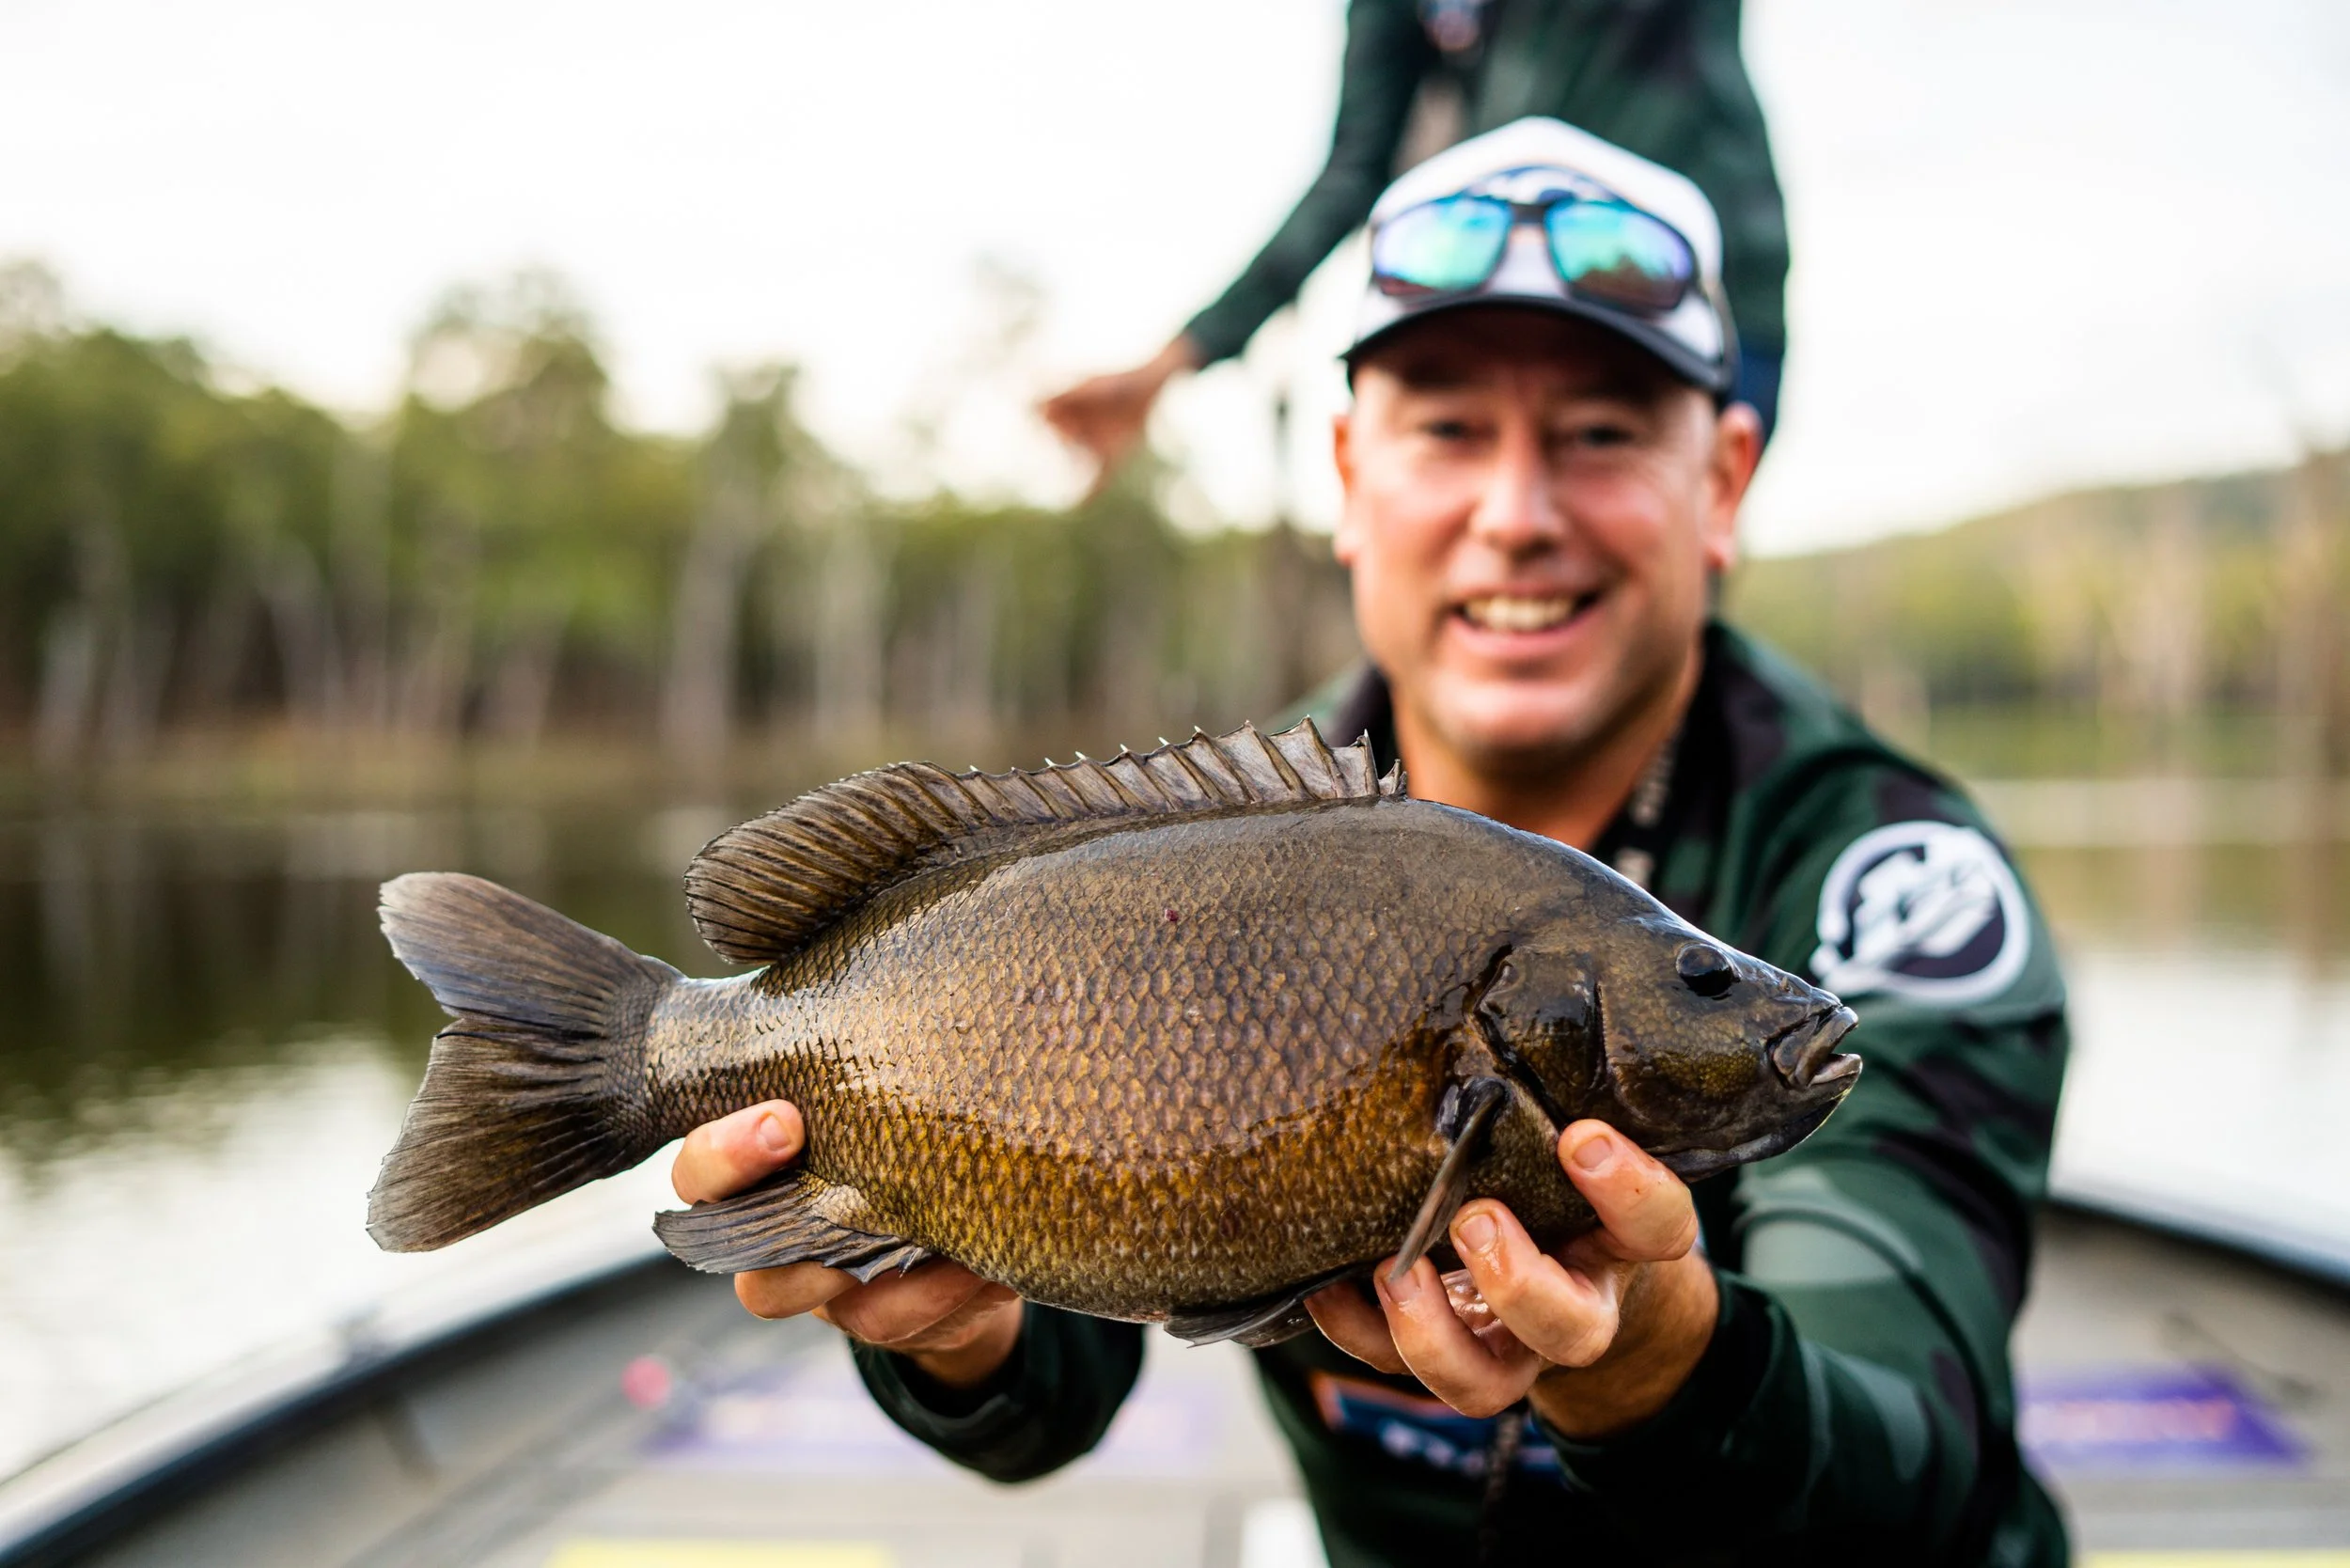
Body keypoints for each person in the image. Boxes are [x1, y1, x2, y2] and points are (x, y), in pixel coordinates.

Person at [671, 118, 2068, 1564]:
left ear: (1720, 481)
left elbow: (1912, 1439)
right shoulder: (1226, 836)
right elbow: (1049, 1399)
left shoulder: (1887, 874)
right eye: (1449, 430)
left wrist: (1652, 1355)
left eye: (1599, 434)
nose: (1516, 515)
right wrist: (955, 1328)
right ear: (1349, 475)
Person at [1041, 0, 1793, 490]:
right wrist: (1179, 356)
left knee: (1646, 599)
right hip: (1497, 298)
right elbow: (1353, 171)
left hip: (1692, 296)